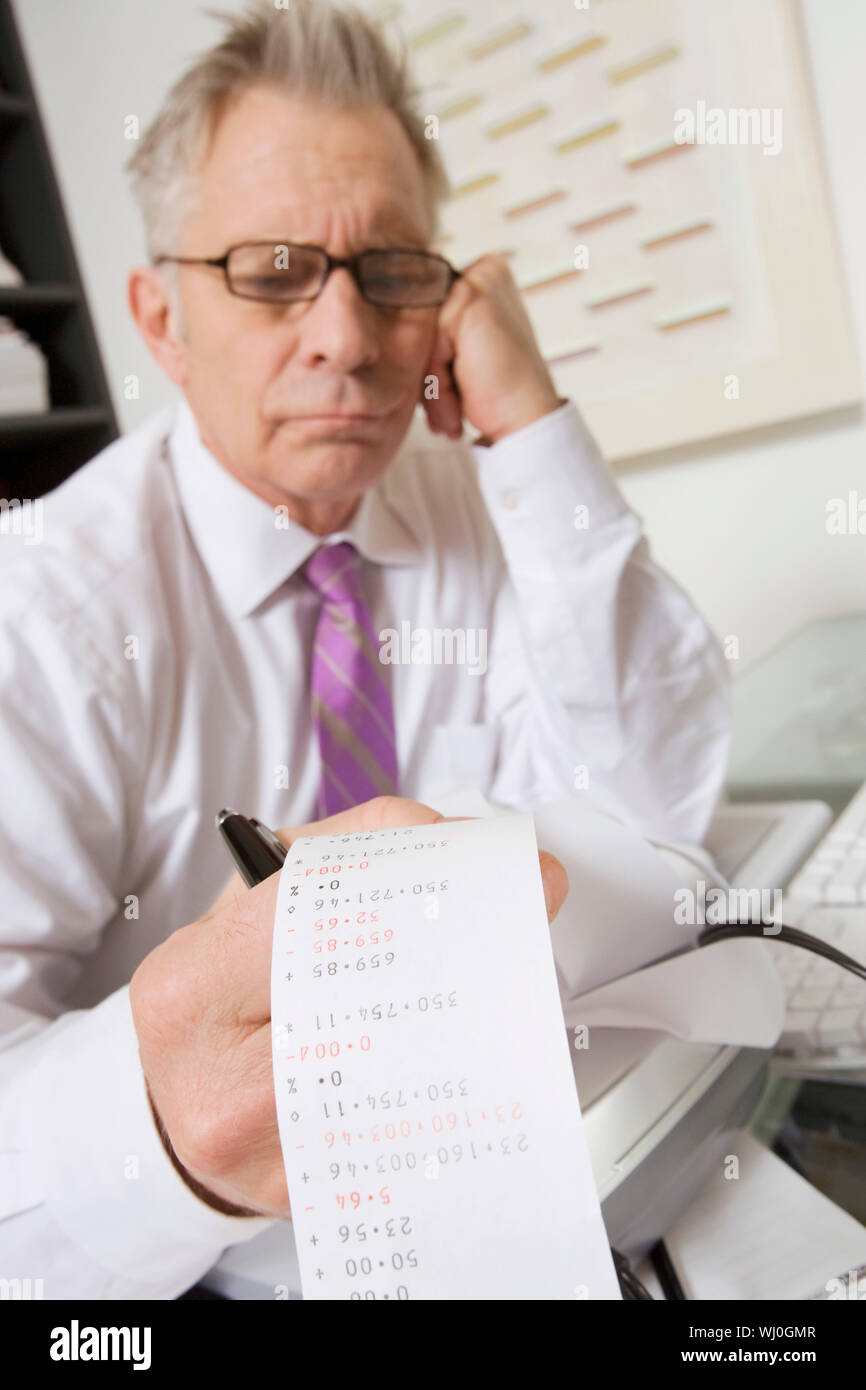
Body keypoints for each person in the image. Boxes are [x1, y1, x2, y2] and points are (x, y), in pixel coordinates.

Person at [0, 0, 729, 1297]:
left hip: (539, 1186)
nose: (343, 336)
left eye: (391, 270)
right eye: (272, 271)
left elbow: (663, 807)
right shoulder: (41, 612)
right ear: (161, 320)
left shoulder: (476, 493)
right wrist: (173, 1133)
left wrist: (533, 424)